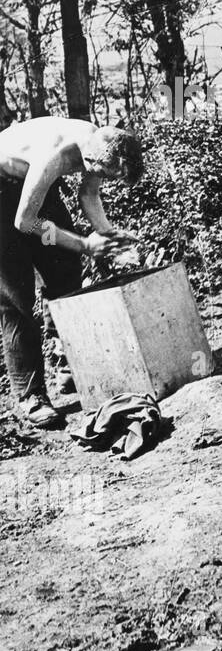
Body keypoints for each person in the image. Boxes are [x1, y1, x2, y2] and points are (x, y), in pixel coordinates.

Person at [0, 119, 142, 427]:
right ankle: (30, 395)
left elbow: (89, 196)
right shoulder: (55, 155)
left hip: (32, 190)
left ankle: (67, 361)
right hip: (3, 190)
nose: (102, 179)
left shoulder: (101, 142)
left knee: (65, 268)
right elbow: (25, 222)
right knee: (16, 295)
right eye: (104, 174)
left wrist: (109, 238)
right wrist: (84, 244)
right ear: (90, 160)